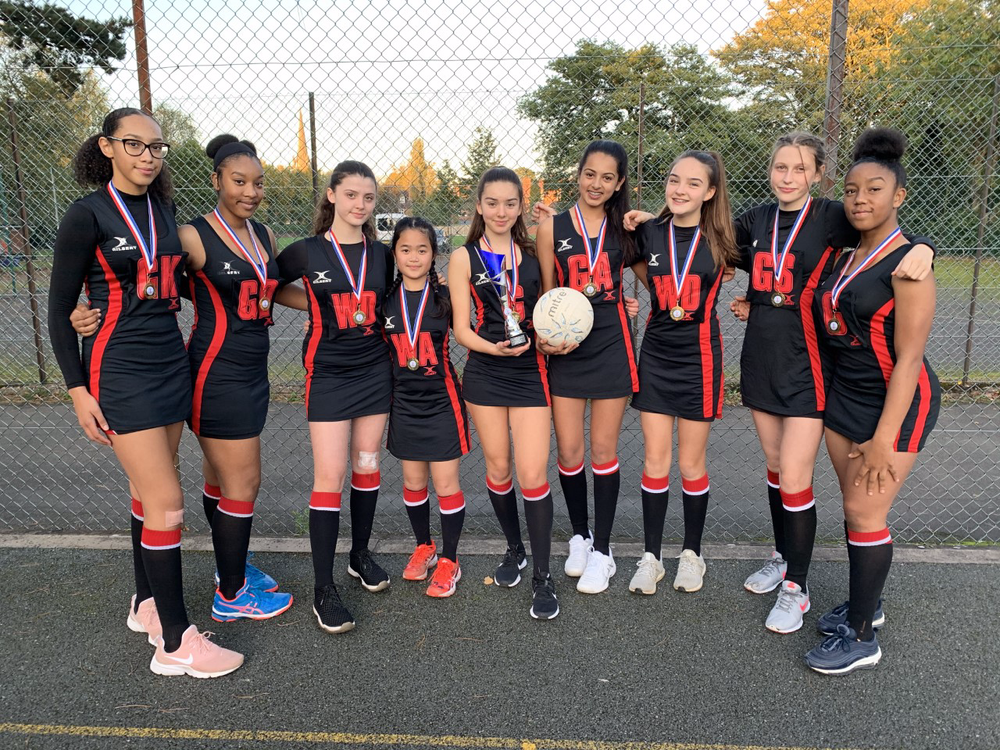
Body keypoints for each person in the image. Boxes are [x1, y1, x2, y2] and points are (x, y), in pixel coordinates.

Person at [70, 134, 300, 624]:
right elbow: (141, 283)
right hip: (214, 371)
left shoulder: (264, 235)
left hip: (251, 371)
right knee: (243, 480)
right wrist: (81, 310)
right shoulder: (191, 235)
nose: (250, 191)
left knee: (221, 477)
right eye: (239, 181)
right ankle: (231, 595)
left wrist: (332, 307)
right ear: (216, 180)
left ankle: (228, 568)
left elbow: (271, 290)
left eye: (258, 183)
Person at [47, 108, 243, 677]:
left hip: (168, 362)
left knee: (144, 493)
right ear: (108, 147)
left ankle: (147, 605)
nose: (148, 155)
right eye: (134, 144)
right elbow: (62, 312)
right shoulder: (85, 215)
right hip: (118, 371)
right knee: (167, 505)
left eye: (157, 147)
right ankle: (178, 643)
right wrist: (77, 390)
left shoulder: (163, 210)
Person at [728, 131, 933, 634]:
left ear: (817, 175)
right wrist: (650, 221)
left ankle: (802, 588)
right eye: (781, 167)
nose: (789, 176)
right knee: (778, 469)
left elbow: (890, 235)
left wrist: (927, 245)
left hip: (814, 369)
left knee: (808, 482)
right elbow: (710, 244)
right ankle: (793, 563)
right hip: (767, 362)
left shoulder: (834, 215)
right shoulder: (756, 219)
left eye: (800, 168)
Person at [805, 127, 939, 674]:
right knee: (858, 509)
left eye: (875, 190)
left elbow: (908, 359)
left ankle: (862, 637)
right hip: (846, 397)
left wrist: (886, 436)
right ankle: (868, 606)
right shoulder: (844, 255)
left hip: (896, 403)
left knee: (865, 509)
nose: (861, 200)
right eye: (854, 191)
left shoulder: (911, 264)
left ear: (898, 197)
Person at [275, 161, 394, 634]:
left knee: (367, 465)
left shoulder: (381, 254)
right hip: (327, 374)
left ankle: (359, 554)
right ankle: (323, 589)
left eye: (367, 198)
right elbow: (265, 284)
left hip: (374, 372)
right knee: (331, 474)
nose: (359, 205)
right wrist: (315, 305)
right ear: (331, 196)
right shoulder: (305, 252)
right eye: (350, 195)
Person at [622, 151, 738, 594]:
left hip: (700, 360)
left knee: (690, 463)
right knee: (655, 460)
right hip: (656, 355)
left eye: (693, 183)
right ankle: (651, 556)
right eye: (674, 180)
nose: (680, 189)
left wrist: (747, 300)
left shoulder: (725, 237)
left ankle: (693, 554)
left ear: (709, 192)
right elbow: (635, 268)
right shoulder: (649, 231)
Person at [448, 166, 558, 620]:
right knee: (498, 466)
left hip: (530, 371)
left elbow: (551, 309)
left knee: (533, 473)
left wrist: (543, 339)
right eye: (491, 202)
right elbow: (460, 329)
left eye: (510, 203)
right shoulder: (463, 257)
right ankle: (515, 549)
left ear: (520, 207)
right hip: (486, 371)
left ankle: (543, 576)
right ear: (479, 205)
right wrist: (490, 346)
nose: (500, 211)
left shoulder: (534, 255)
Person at [533, 140, 640, 594]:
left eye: (608, 177)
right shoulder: (550, 227)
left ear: (619, 185)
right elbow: (547, 290)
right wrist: (543, 336)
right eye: (590, 173)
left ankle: (604, 550)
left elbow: (664, 275)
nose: (597, 184)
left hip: (612, 341)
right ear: (578, 174)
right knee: (570, 452)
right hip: (567, 345)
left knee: (603, 450)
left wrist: (724, 275)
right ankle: (580, 535)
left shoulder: (627, 229)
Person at [383, 217, 470, 598]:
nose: (414, 257)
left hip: (442, 400)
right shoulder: (383, 297)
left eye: (422, 249)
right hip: (403, 401)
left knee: (446, 484)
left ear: (434, 254)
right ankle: (425, 546)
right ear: (395, 253)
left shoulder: (447, 297)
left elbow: (485, 320)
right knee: (414, 482)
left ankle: (450, 558)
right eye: (405, 249)